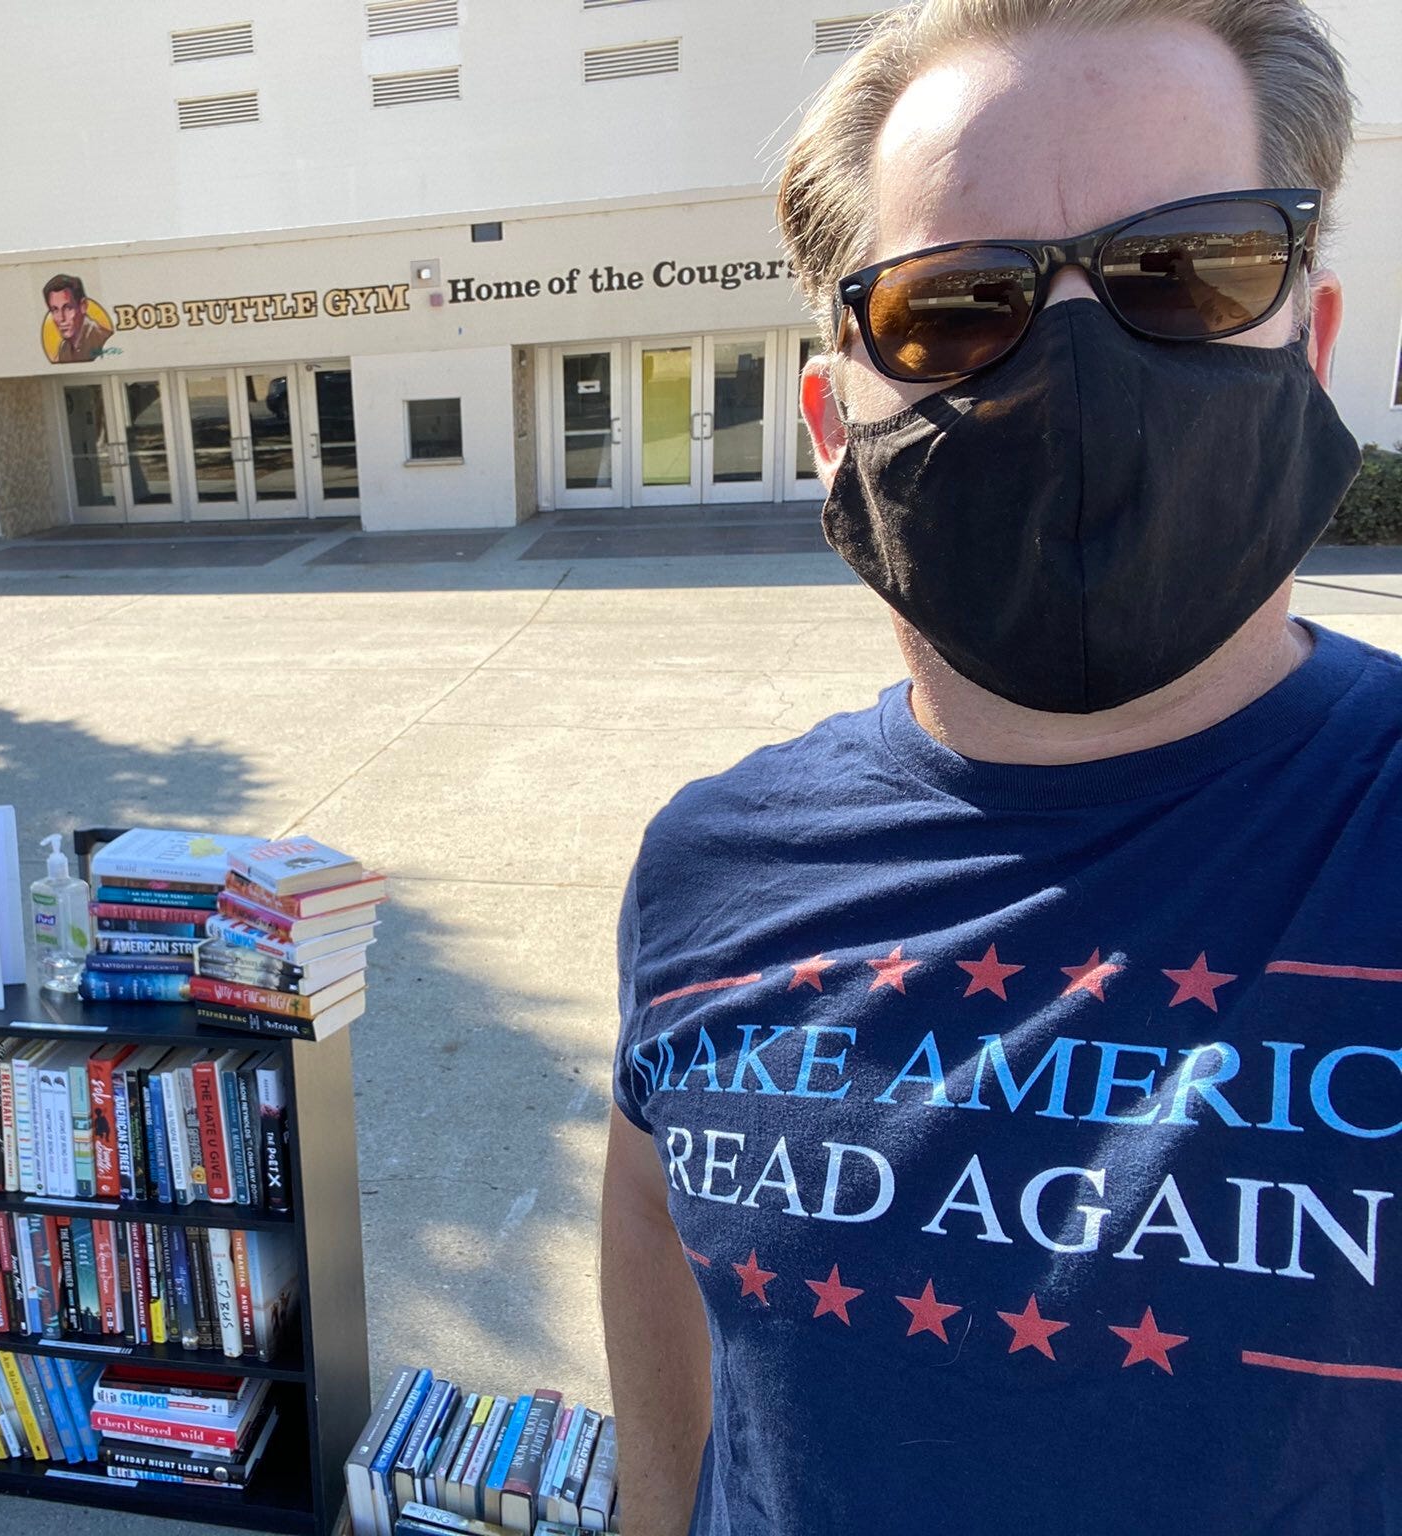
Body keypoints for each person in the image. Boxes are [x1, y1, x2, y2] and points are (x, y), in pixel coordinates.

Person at [600, 3, 1395, 1533]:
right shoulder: (712, 861)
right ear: (838, 422)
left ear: (1313, 337)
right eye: (958, 305)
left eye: (1188, 269)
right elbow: (651, 1187)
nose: (1080, 362)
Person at [43, 273, 113, 364]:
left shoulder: (102, 340)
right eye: (55, 310)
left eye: (68, 308)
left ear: (83, 306)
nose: (61, 318)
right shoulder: (64, 349)